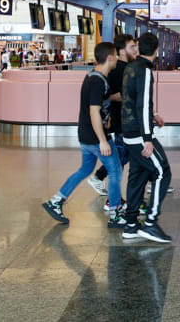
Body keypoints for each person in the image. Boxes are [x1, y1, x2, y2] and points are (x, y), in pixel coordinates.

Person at [42, 42, 125, 228]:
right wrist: (103, 141)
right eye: (116, 56)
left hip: (85, 135)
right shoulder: (98, 81)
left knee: (85, 170)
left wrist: (112, 97)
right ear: (109, 58)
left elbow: (96, 101)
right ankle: (115, 214)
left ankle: (56, 201)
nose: (117, 59)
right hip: (96, 137)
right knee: (115, 170)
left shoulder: (92, 76)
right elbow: (94, 112)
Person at [121, 32, 172, 243]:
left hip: (127, 131)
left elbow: (132, 100)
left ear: (139, 48)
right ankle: (151, 223)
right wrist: (147, 138)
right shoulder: (145, 70)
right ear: (157, 50)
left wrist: (153, 115)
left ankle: (131, 224)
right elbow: (142, 105)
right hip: (139, 134)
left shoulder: (130, 67)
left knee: (138, 174)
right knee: (162, 171)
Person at [88, 34, 138, 206]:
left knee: (123, 156)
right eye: (132, 47)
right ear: (121, 51)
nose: (136, 50)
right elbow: (109, 95)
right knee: (120, 159)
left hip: (126, 120)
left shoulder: (128, 67)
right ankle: (111, 197)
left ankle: (101, 180)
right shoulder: (117, 70)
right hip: (120, 120)